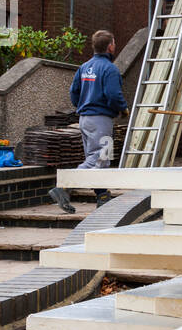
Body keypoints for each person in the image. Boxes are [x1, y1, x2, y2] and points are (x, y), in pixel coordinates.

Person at [48, 31, 127, 214]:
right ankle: (64, 187)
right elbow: (114, 95)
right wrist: (123, 108)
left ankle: (103, 196)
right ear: (110, 46)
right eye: (114, 43)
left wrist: (84, 105)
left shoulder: (84, 67)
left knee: (95, 158)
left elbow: (73, 92)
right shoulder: (110, 69)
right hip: (101, 119)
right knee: (100, 158)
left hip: (84, 119)